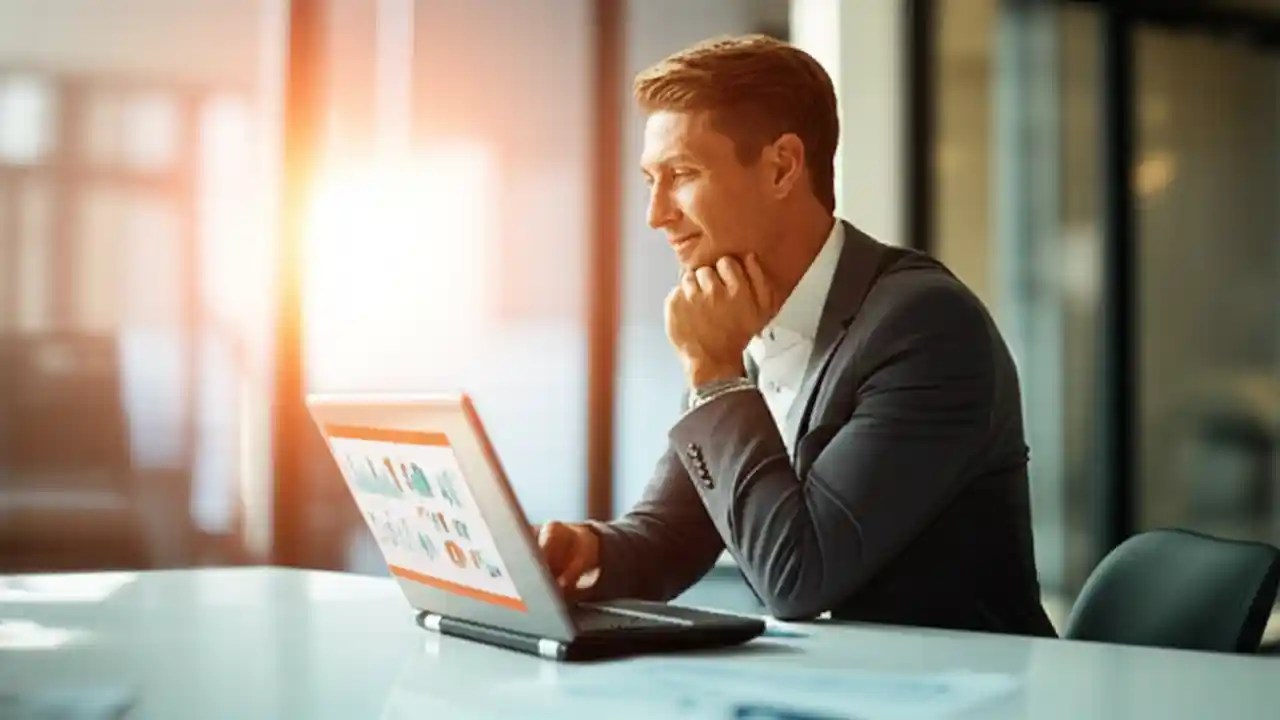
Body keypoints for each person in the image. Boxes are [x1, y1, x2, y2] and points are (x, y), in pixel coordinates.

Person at [537, 35, 1055, 636]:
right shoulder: (739, 315)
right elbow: (673, 533)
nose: (656, 213)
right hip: (835, 686)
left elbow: (798, 578)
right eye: (651, 179)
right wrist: (585, 550)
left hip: (961, 693)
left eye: (681, 174)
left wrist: (712, 372)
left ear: (782, 167)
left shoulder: (925, 326)